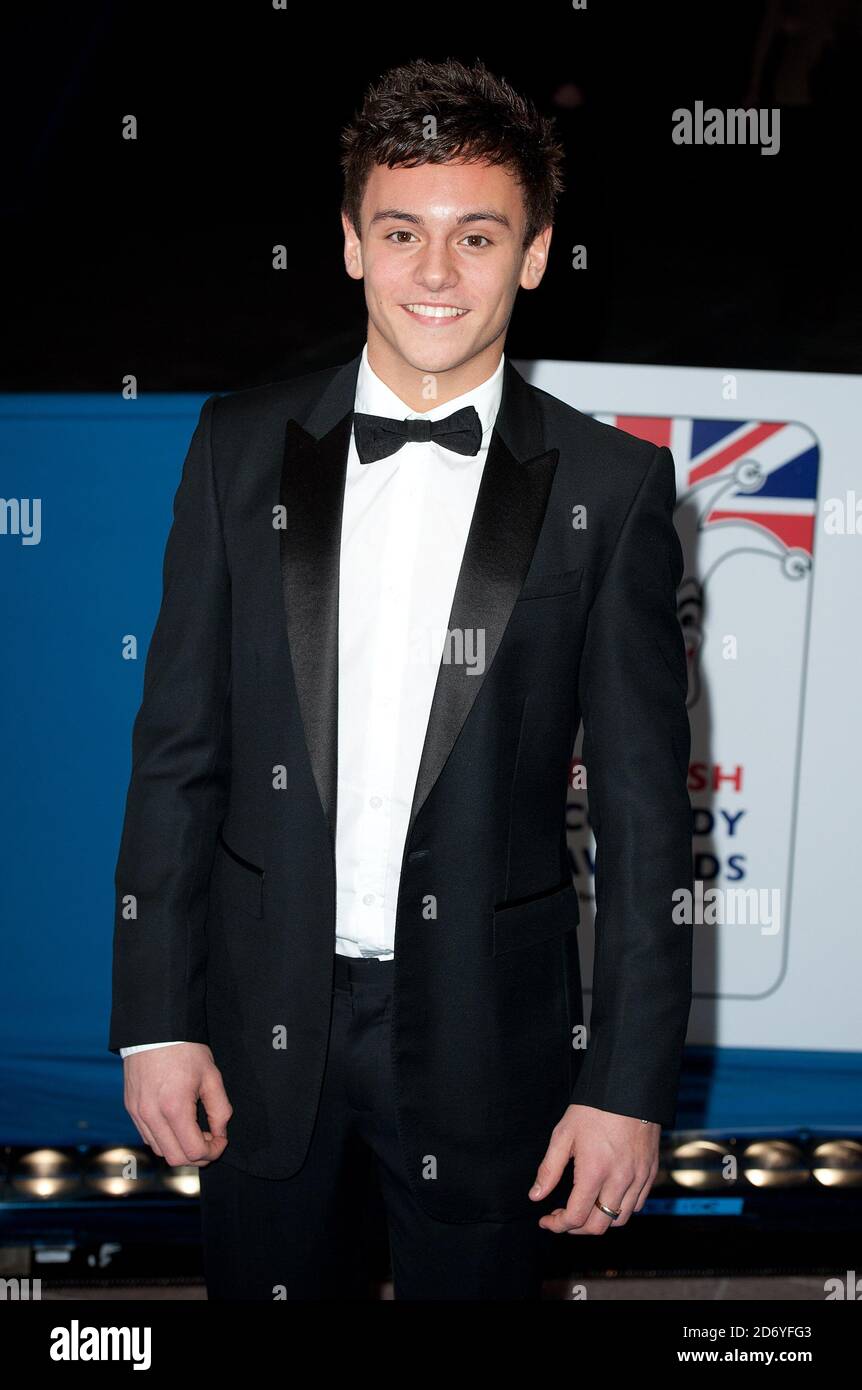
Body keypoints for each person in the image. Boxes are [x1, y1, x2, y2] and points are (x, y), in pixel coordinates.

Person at [109, 56, 693, 1301]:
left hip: (498, 1052)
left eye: (477, 236)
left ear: (533, 254)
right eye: (402, 232)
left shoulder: (612, 490)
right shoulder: (235, 448)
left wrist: (624, 1087)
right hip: (263, 1036)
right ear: (349, 244)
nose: (436, 273)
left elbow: (647, 827)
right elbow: (177, 753)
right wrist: (158, 1019)